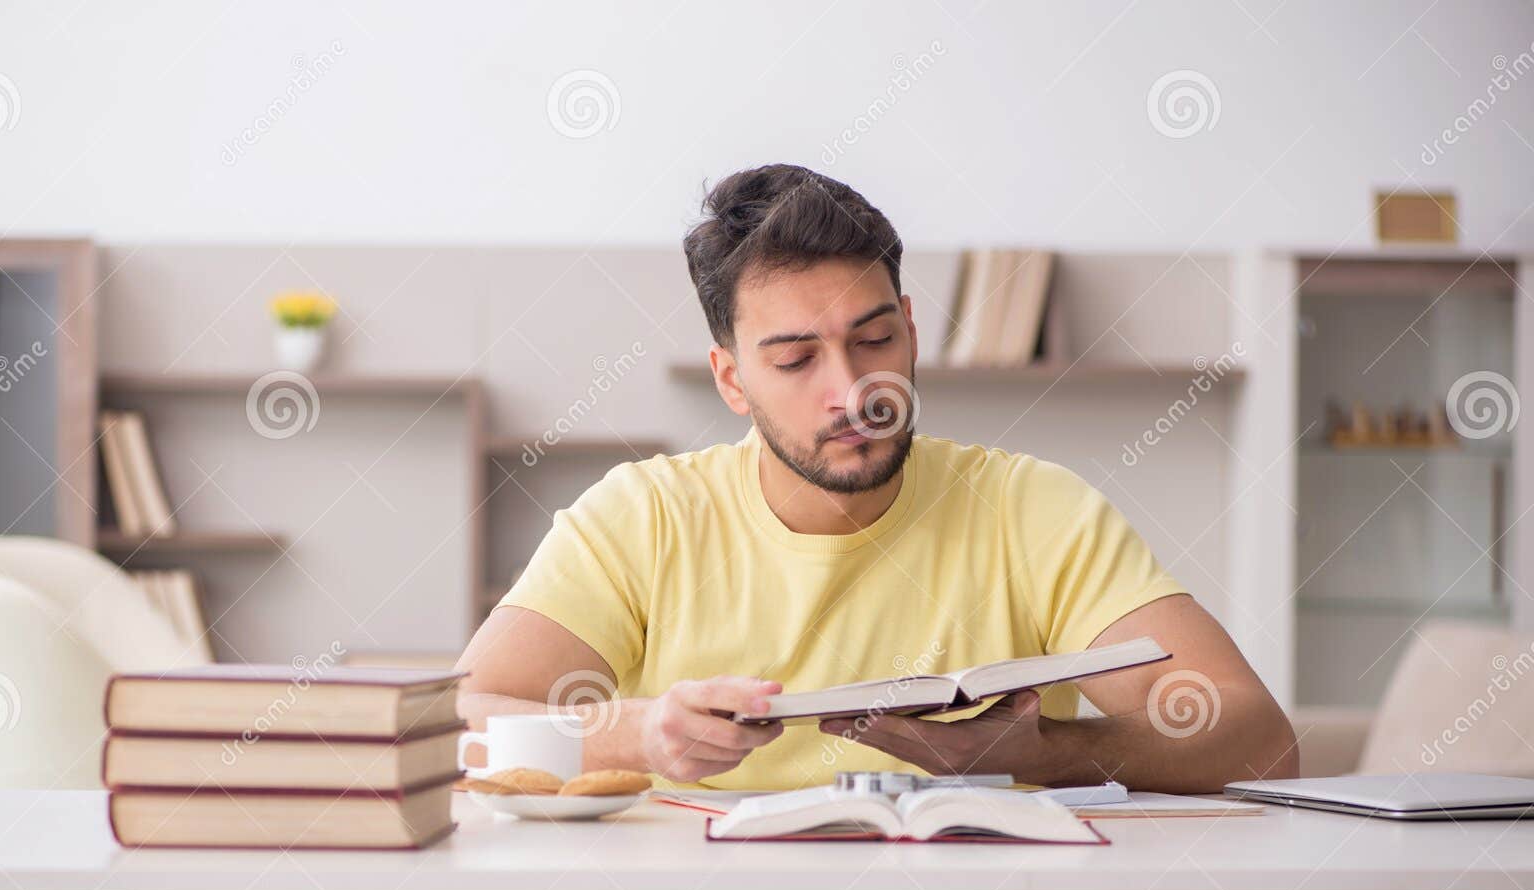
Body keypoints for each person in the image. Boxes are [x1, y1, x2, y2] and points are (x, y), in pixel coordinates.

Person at [457, 163, 1297, 793]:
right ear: (731, 380)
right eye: (794, 359)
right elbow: (460, 728)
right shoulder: (639, 518)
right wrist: (640, 734)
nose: (853, 392)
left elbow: (1257, 736)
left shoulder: (1034, 509)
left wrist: (1052, 754)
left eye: (874, 340)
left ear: (913, 337)